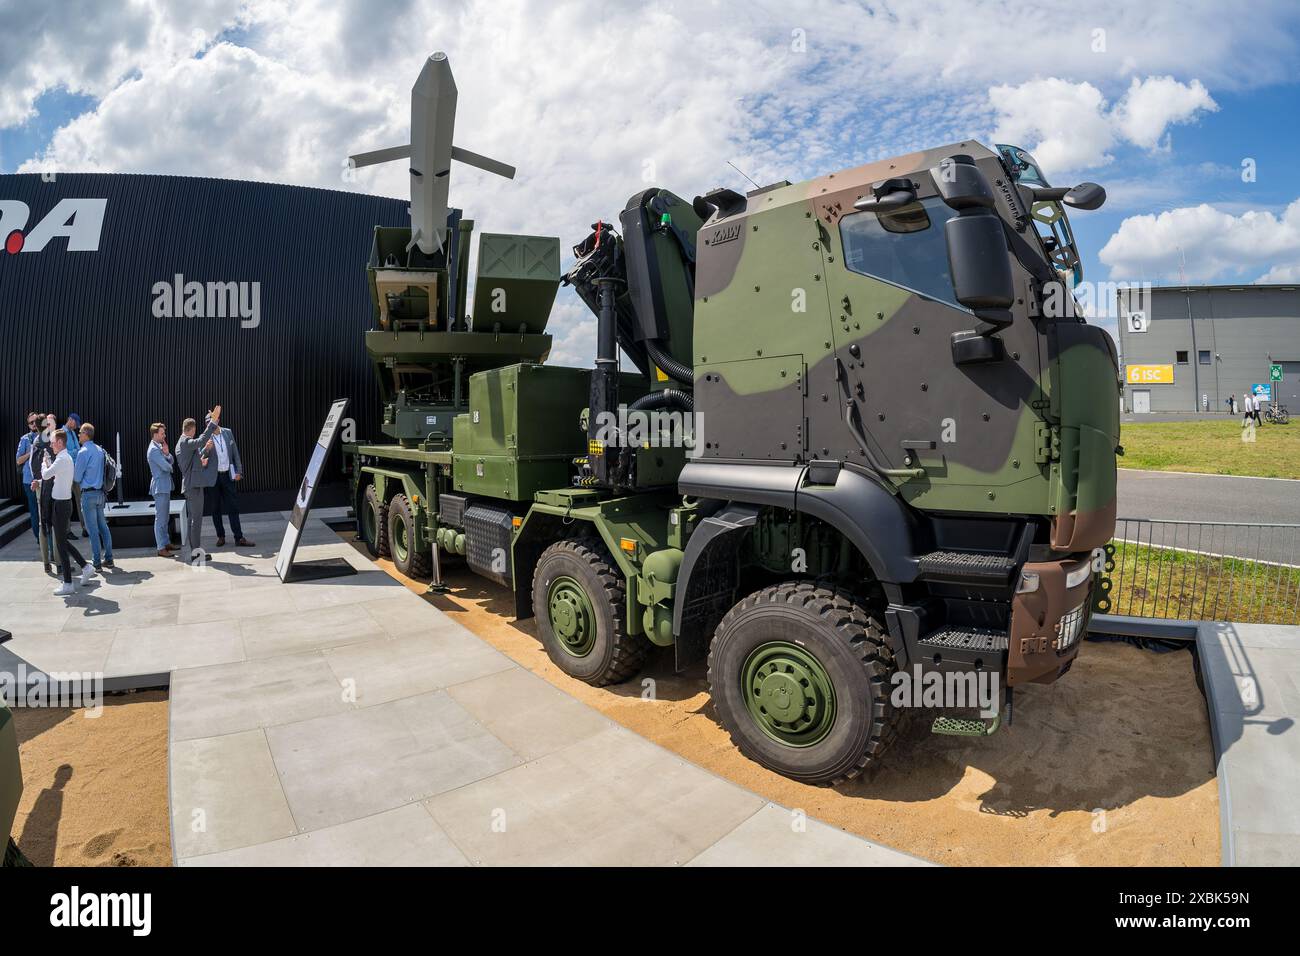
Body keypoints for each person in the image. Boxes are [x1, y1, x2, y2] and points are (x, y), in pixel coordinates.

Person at [39, 429, 93, 596]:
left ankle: (69, 583)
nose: (51, 445)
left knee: (61, 545)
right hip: (61, 505)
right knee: (62, 542)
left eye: (53, 442)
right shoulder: (64, 458)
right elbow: (54, 478)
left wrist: (44, 462)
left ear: (60, 443)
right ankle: (85, 567)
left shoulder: (62, 458)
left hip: (61, 506)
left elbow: (47, 474)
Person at [174, 405, 221, 562]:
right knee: (196, 521)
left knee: (193, 519)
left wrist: (205, 452)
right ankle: (196, 554)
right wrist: (212, 422)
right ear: (191, 429)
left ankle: (195, 552)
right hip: (193, 486)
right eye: (194, 431)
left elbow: (194, 460)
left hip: (192, 484)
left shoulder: (184, 442)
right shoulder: (185, 442)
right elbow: (200, 440)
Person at [73, 423, 114, 571]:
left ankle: (96, 563)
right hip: (100, 494)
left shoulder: (83, 452)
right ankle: (109, 559)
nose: (78, 435)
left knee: (92, 530)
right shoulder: (100, 450)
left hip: (88, 494)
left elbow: (77, 477)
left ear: (86, 434)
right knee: (103, 527)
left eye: (80, 432)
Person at [208, 420, 254, 548]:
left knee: (233, 507)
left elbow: (235, 453)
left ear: (217, 422)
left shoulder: (228, 432)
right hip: (214, 478)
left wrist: (239, 471)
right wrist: (206, 449)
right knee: (215, 508)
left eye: (211, 423)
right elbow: (202, 456)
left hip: (228, 476)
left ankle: (239, 538)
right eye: (207, 423)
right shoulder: (206, 437)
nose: (209, 426)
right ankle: (221, 536)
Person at [147, 423, 176, 557]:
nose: (164, 435)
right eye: (162, 433)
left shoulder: (159, 448)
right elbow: (167, 467)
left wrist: (167, 453)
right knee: (160, 518)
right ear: (155, 434)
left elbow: (171, 460)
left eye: (164, 433)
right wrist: (169, 464)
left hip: (164, 485)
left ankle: (166, 542)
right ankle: (160, 547)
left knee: (165, 517)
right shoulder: (153, 450)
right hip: (160, 486)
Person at [14, 412, 41, 543]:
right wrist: (30, 452)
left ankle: (47, 536)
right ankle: (38, 537)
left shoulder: (45, 436)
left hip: (44, 479)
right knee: (34, 509)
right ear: (28, 425)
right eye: (31, 422)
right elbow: (18, 460)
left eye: (36, 421)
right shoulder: (25, 439)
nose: (34, 424)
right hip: (29, 480)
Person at [62, 413, 84, 537]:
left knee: (80, 500)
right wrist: (77, 452)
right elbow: (65, 452)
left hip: (76, 471)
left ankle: (85, 528)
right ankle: (67, 530)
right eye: (75, 423)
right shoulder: (62, 433)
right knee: (66, 502)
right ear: (70, 420)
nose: (76, 427)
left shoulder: (73, 433)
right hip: (66, 472)